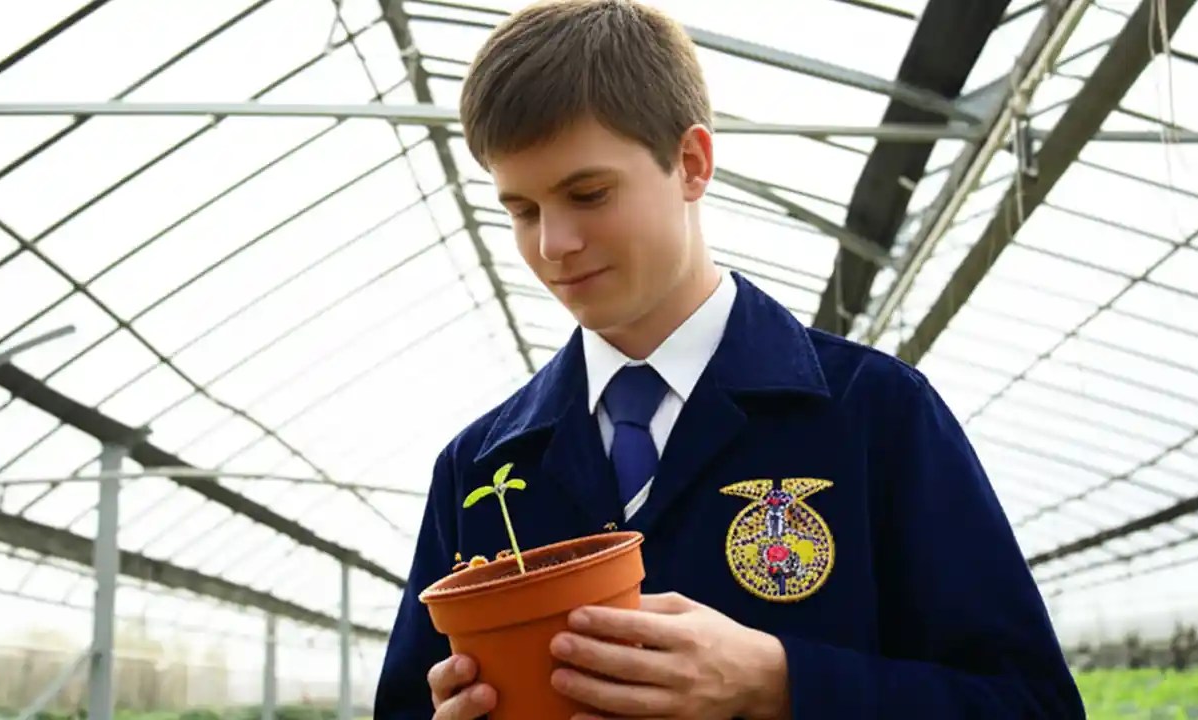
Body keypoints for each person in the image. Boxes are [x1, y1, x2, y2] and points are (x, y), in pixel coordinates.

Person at [374, 1, 1086, 718]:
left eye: (588, 194)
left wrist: (780, 681)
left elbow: (1034, 705)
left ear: (691, 163)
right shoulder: (480, 469)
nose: (554, 243)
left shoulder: (873, 416)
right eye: (522, 210)